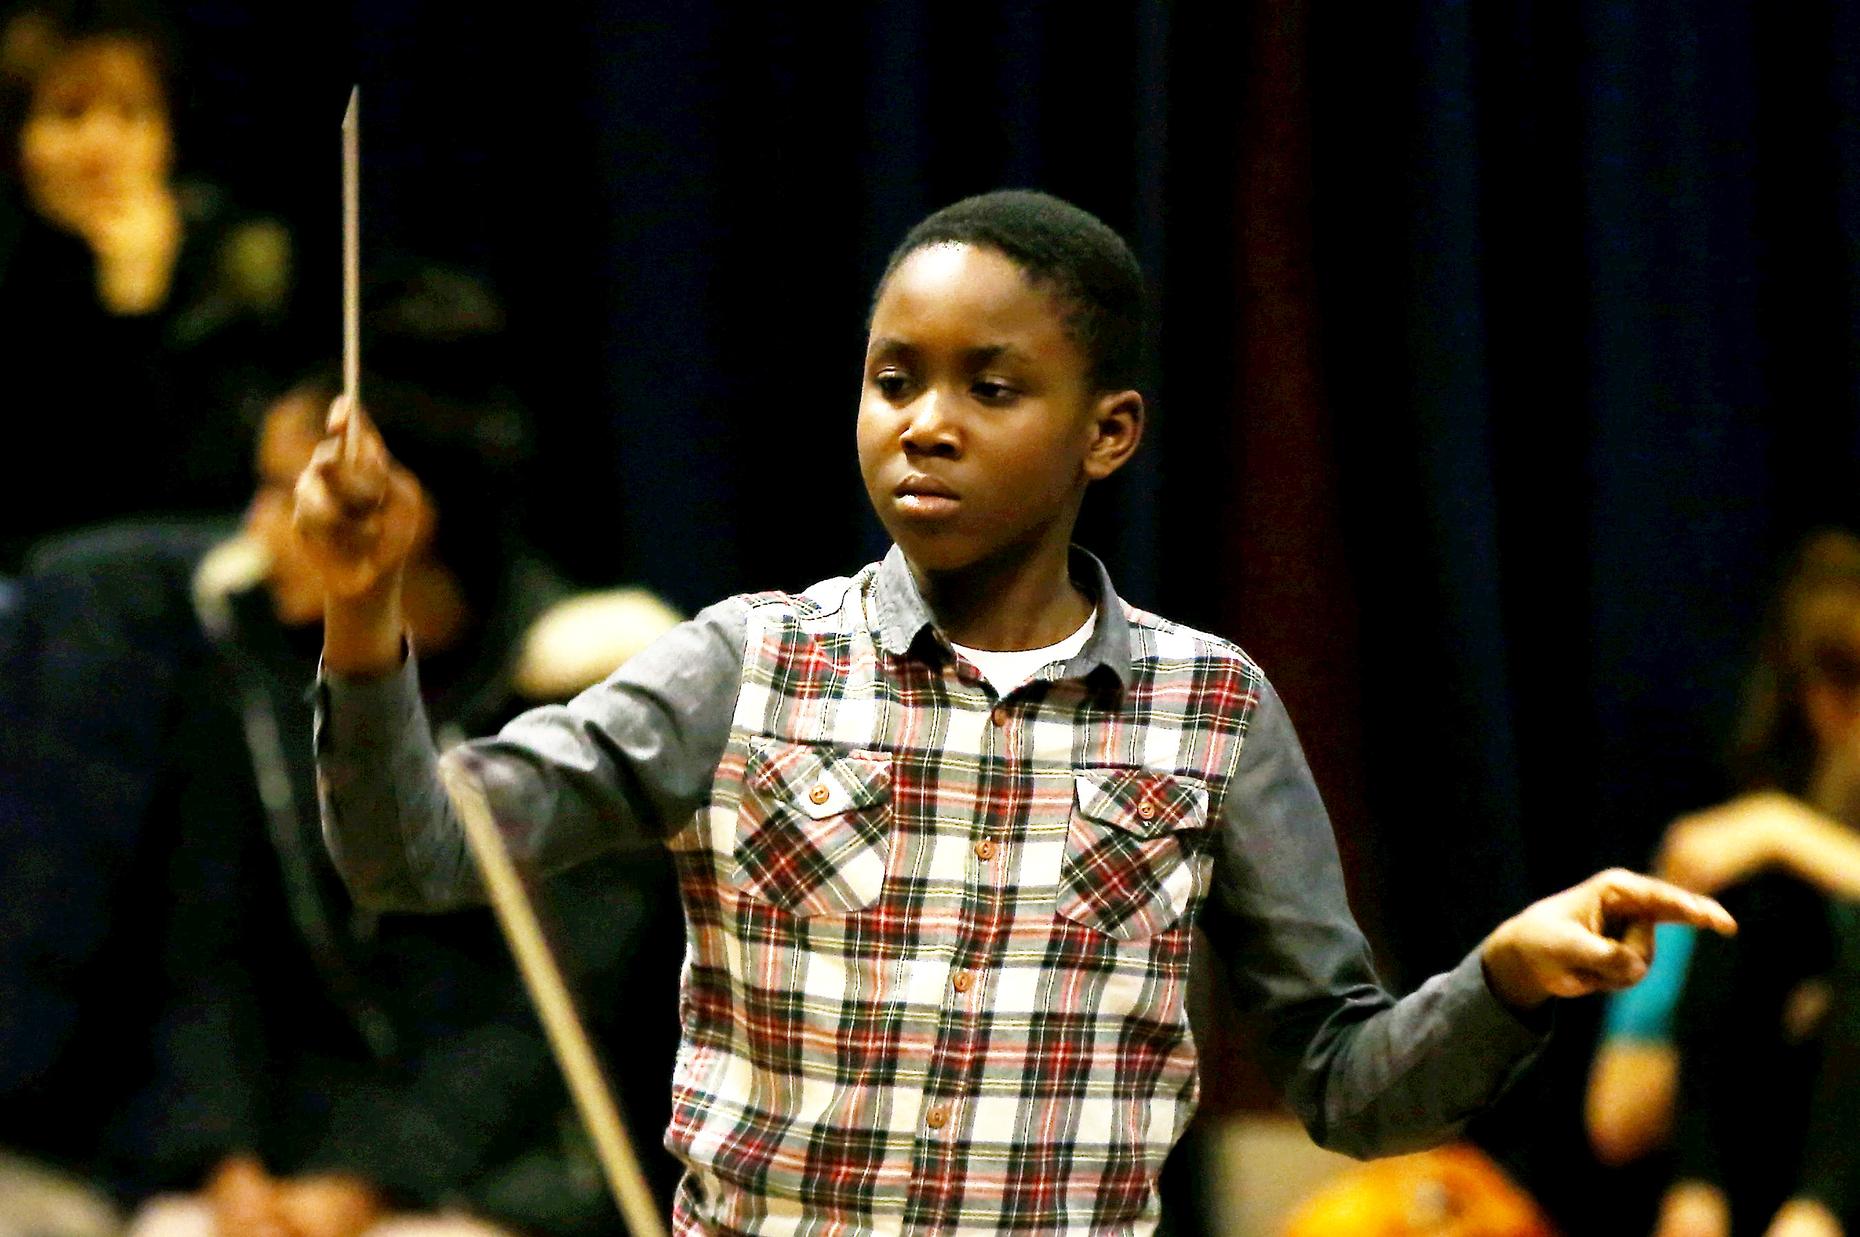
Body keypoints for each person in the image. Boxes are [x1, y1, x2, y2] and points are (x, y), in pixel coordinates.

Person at [298, 190, 1735, 1235]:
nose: (925, 420)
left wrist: (1502, 979)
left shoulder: (1210, 711)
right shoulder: (744, 666)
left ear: (1107, 430)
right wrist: (365, 616)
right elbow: (412, 852)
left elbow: (1350, 1086)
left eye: (991, 387)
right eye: (893, 380)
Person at [0, 268, 685, 1236]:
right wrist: (225, 1158)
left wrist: (370, 1179)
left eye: (287, 495)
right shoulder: (244, 668)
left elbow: (532, 1022)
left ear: (394, 516)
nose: (250, 529)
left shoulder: (575, 689)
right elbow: (210, 956)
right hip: (278, 1157)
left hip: (490, 1174)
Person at [0, 0, 296, 568]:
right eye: (69, 115)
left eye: (133, 115)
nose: (102, 144)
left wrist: (139, 304)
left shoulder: (229, 261)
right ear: (20, 140)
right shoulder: (13, 265)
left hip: (184, 567)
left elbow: (212, 477)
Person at [1645, 531, 1860, 1237]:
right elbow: (1615, 1113)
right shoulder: (1741, 847)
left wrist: (1783, 827)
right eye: (1830, 678)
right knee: (1746, 900)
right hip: (1756, 1160)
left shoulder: (1768, 826)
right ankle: (1698, 1200)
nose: (1842, 713)